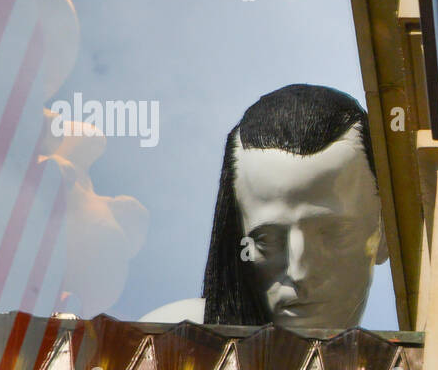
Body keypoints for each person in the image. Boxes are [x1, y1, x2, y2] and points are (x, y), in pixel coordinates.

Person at [143, 84, 387, 329]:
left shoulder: (409, 364)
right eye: (267, 241)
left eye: (334, 233)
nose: (299, 271)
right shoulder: (174, 343)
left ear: (385, 235)